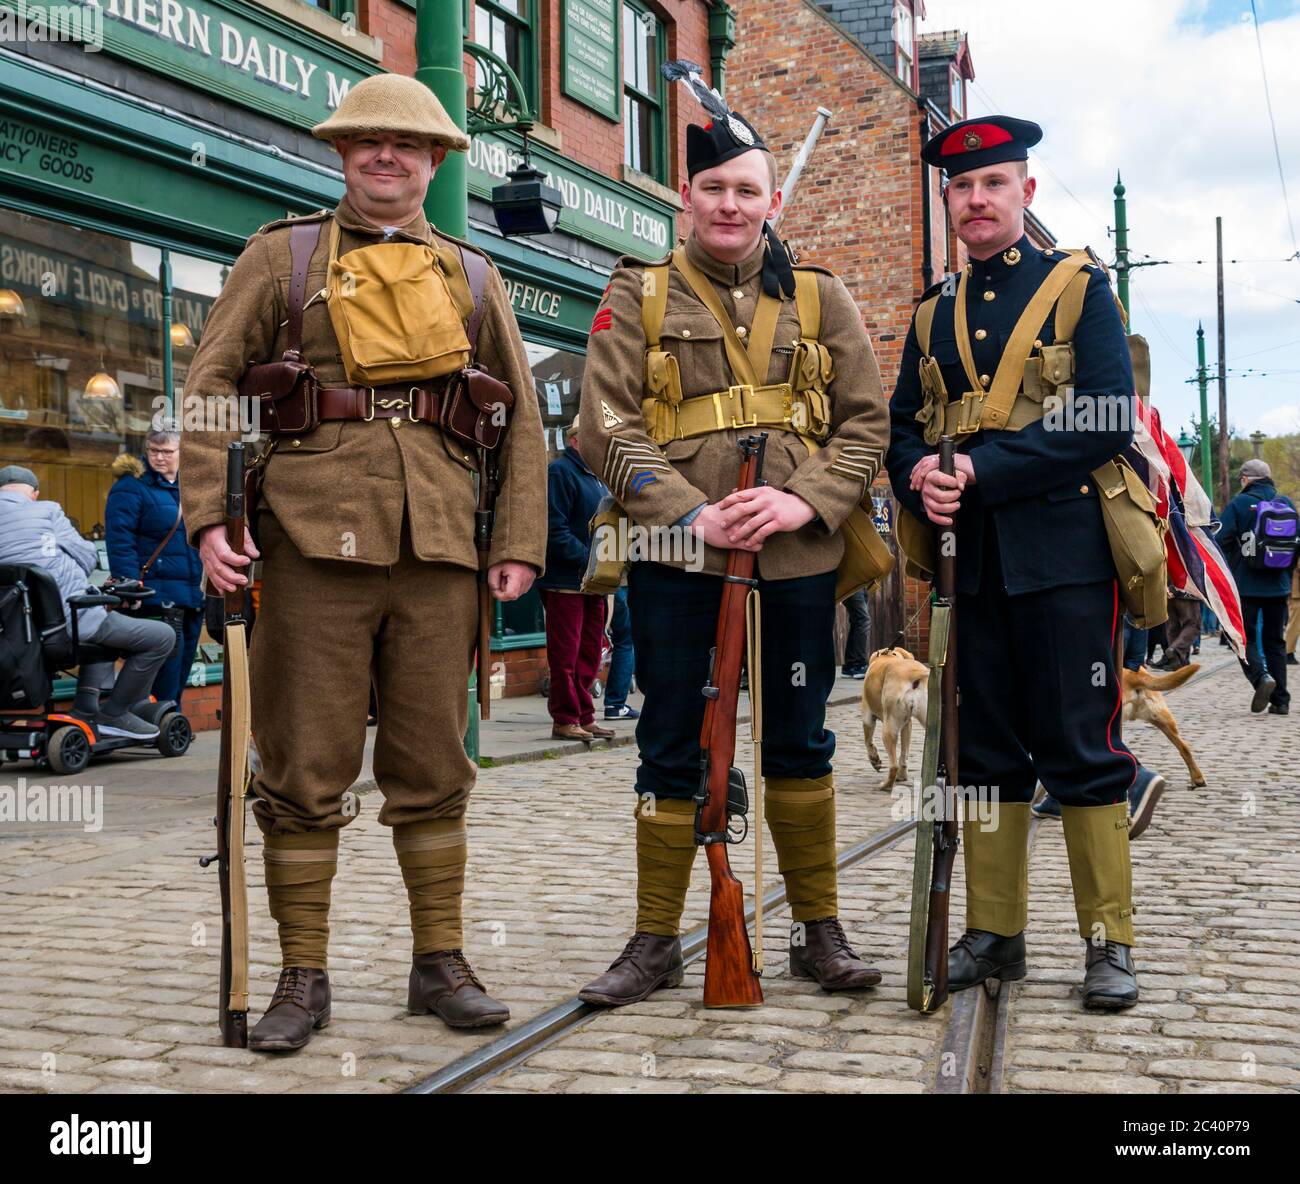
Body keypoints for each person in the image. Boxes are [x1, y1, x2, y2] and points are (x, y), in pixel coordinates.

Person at [180, 74, 547, 1051]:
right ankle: (303, 973)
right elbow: (212, 384)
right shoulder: (281, 256)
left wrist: (515, 542)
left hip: (438, 544)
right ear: (342, 156)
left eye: (407, 144)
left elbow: (518, 416)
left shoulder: (473, 276)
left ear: (435, 162)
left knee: (434, 762)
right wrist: (210, 517)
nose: (386, 155)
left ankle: (440, 961)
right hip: (306, 541)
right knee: (303, 762)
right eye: (366, 142)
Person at [576, 94, 890, 1006]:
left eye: (746, 190)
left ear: (770, 202)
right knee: (670, 738)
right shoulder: (635, 294)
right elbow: (602, 424)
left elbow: (868, 425)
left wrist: (802, 502)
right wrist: (688, 513)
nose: (730, 204)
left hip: (798, 558)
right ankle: (652, 940)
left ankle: (816, 931)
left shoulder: (823, 296)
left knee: (802, 737)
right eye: (713, 188)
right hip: (678, 558)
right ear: (687, 193)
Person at [888, 116, 1145, 1010]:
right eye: (961, 188)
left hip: (1067, 557)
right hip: (972, 566)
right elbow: (901, 431)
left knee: (1082, 748)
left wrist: (979, 471)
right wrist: (919, 469)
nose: (976, 200)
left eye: (993, 183)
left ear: (1025, 193)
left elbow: (1105, 416)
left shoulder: (1078, 290)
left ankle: (1108, 943)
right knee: (984, 752)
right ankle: (996, 935)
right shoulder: (930, 314)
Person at [0, 465, 173, 739]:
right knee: (161, 636)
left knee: (98, 630)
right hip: (64, 624)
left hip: (14, 634)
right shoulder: (47, 511)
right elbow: (86, 555)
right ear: (34, 493)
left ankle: (85, 709)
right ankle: (115, 713)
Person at [105, 424, 205, 709]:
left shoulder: (191, 486)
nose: (159, 457)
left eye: (167, 451)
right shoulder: (131, 487)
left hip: (191, 590)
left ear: (182, 452)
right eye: (154, 450)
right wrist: (129, 583)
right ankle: (160, 718)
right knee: (167, 662)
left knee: (184, 660)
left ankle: (170, 718)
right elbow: (119, 539)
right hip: (155, 593)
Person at [539, 415, 614, 742]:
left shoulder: (596, 477)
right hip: (565, 580)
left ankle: (584, 714)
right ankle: (565, 717)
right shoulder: (560, 472)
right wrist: (592, 559)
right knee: (565, 654)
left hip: (593, 579)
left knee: (589, 651)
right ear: (576, 441)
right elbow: (554, 530)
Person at [1217, 458, 1294, 714]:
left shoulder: (1239, 504)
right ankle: (1281, 701)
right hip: (1279, 585)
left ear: (1246, 479)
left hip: (1247, 585)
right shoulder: (1285, 503)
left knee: (1241, 637)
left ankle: (1261, 678)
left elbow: (1221, 539)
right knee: (1275, 642)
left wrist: (1235, 562)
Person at [603, 587, 639, 720]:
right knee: (625, 643)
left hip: (598, 585)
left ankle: (575, 708)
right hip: (619, 584)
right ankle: (615, 704)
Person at [841, 588, 871, 678]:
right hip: (852, 584)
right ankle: (859, 665)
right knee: (863, 620)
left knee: (857, 621)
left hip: (861, 584)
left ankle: (850, 666)